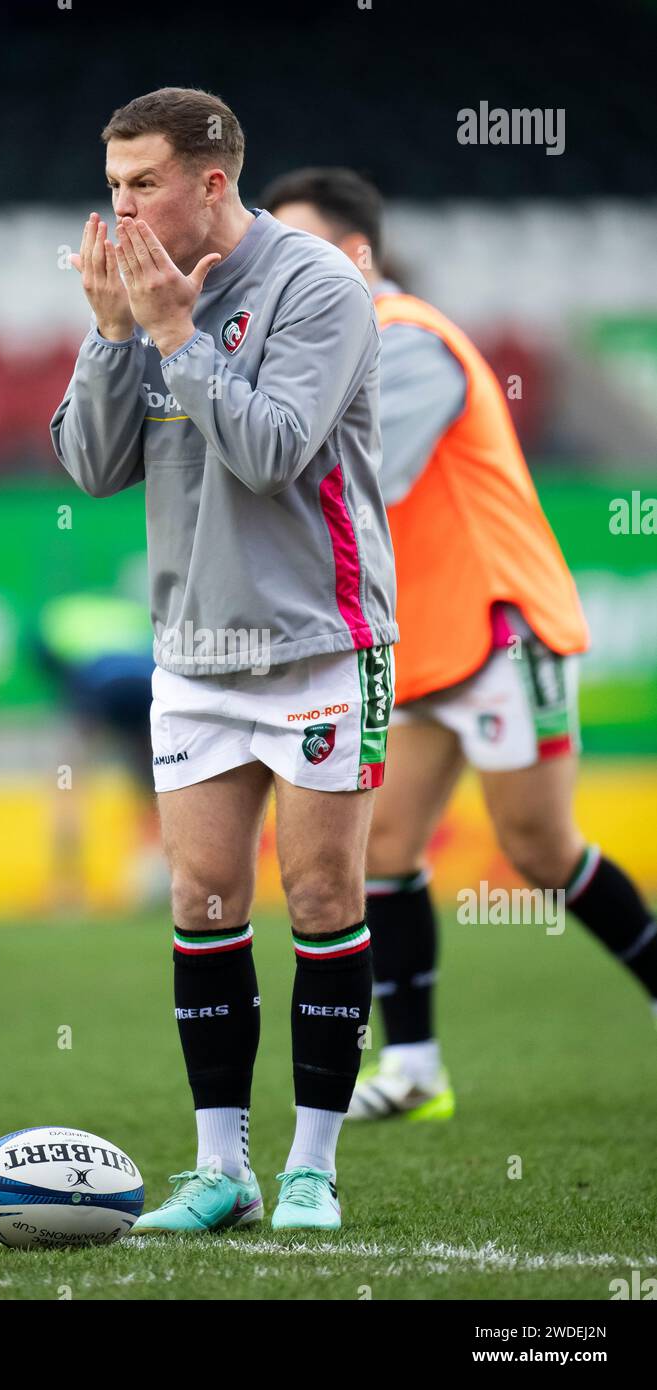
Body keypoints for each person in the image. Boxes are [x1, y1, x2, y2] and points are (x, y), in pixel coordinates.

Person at [51, 91, 397, 1230]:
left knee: (320, 894)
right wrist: (112, 338)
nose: (121, 209)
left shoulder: (318, 287)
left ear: (211, 182)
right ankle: (221, 1171)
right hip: (194, 650)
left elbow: (272, 452)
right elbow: (90, 466)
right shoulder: (139, 299)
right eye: (111, 187)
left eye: (141, 183)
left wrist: (168, 337)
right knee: (201, 897)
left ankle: (311, 1168)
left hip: (316, 641)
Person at [264, 167, 657, 1121]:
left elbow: (356, 481)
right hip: (420, 639)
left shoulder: (408, 342)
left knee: (536, 846)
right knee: (385, 848)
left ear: (358, 255)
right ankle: (416, 1070)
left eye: (299, 248)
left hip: (495, 624)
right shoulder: (343, 350)